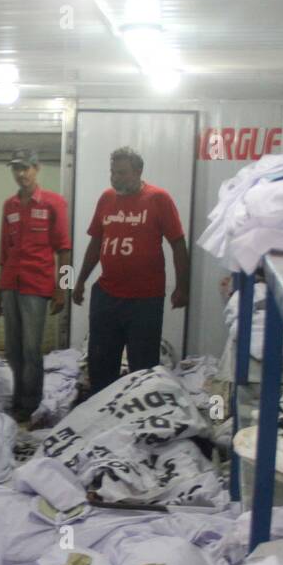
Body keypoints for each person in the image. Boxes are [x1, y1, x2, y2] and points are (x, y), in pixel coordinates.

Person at [73, 146, 189, 394]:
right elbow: (96, 242)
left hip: (145, 299)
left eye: (122, 173)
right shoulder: (106, 198)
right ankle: (102, 413)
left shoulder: (158, 199)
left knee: (143, 367)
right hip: (107, 295)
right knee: (100, 362)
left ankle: (138, 419)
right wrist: (80, 280)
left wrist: (183, 286)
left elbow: (178, 243)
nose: (115, 178)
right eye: (112, 173)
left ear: (138, 172)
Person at [0, 149, 71, 423]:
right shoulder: (9, 205)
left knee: (31, 349)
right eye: (16, 168)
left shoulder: (54, 203)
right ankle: (18, 399)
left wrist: (63, 288)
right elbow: (4, 252)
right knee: (13, 350)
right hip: (11, 285)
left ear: (37, 169)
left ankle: (30, 403)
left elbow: (65, 249)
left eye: (25, 168)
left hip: (37, 286)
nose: (21, 174)